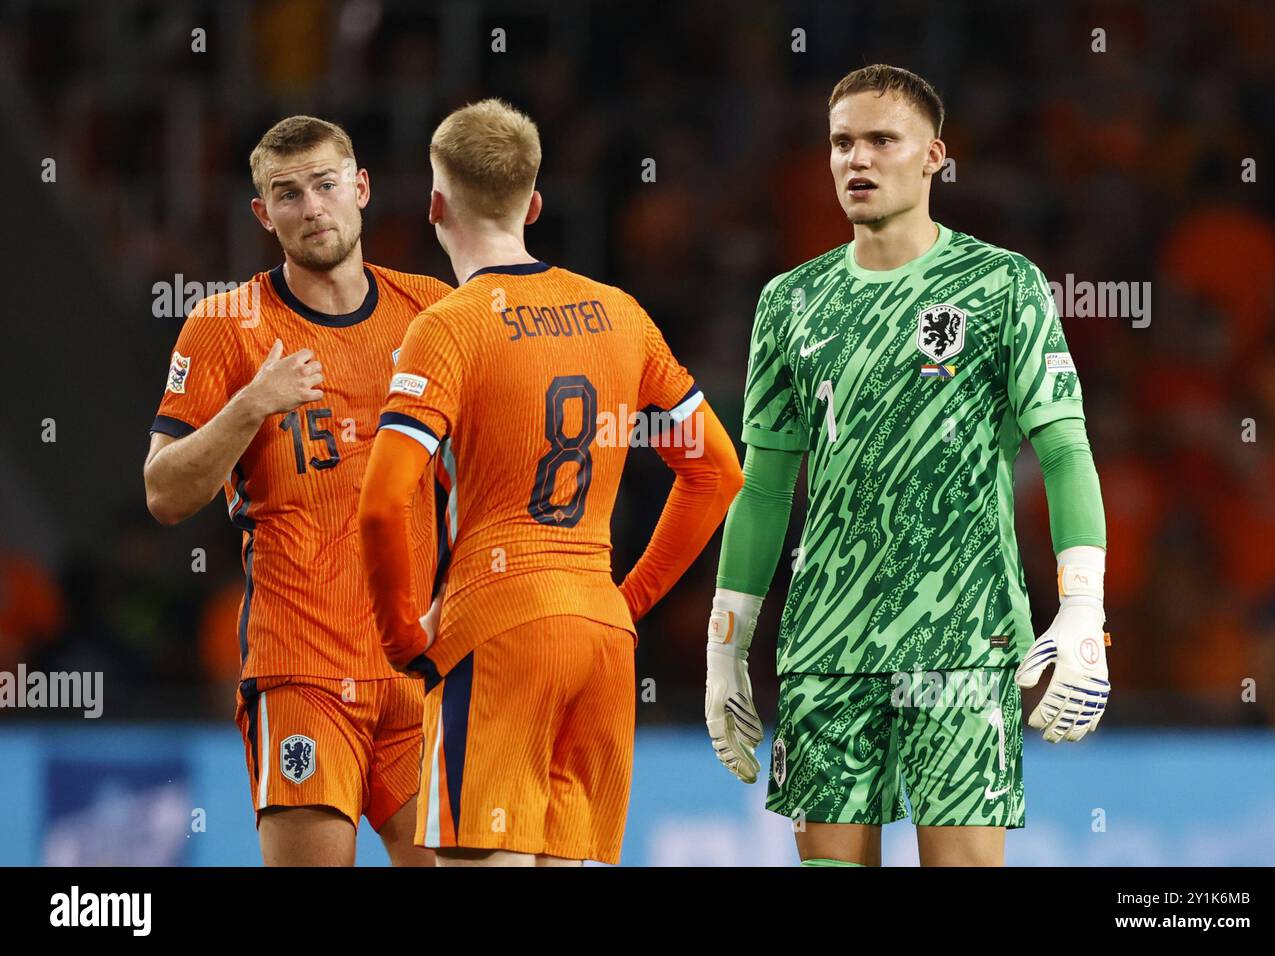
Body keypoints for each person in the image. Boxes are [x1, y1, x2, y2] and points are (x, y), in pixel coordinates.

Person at [705, 65, 1111, 867]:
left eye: (882, 140)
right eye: (842, 142)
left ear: (933, 157)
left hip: (963, 635)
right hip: (826, 639)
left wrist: (1084, 615)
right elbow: (764, 486)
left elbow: (1063, 449)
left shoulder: (1001, 285)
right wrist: (727, 646)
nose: (857, 159)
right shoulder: (790, 302)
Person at [358, 99, 743, 866]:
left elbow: (381, 503)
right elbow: (718, 472)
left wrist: (403, 635)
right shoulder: (620, 314)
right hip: (600, 638)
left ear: (436, 204)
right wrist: (624, 601)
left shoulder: (449, 326)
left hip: (496, 628)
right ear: (533, 205)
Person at [143, 116, 451, 866]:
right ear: (263, 213)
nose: (311, 207)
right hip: (301, 667)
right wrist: (250, 404)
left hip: (418, 666)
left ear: (361, 188)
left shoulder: (433, 312)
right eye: (288, 193)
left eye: (326, 184)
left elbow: (479, 478)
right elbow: (164, 492)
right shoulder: (226, 327)